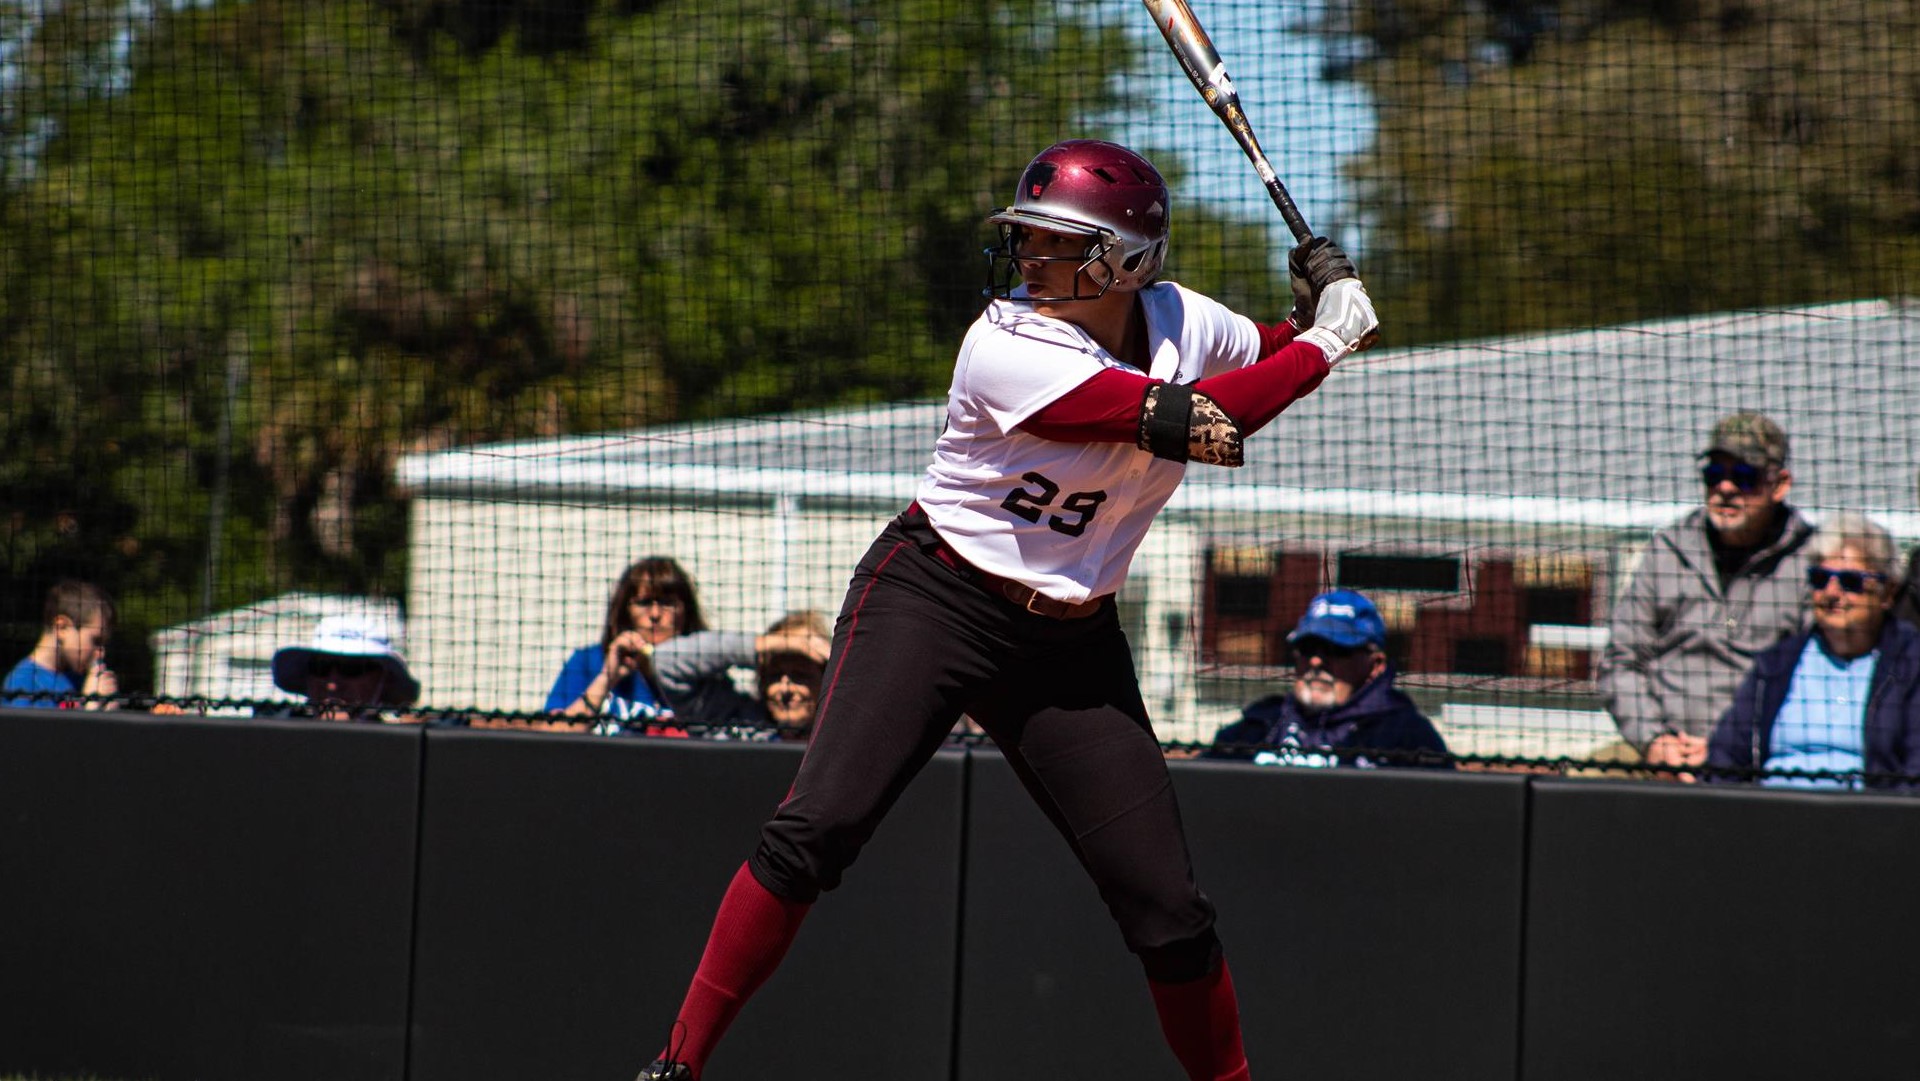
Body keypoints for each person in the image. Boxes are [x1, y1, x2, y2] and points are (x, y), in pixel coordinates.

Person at [634, 138, 1377, 1081]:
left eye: (1059, 241)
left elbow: (1261, 357)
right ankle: (677, 1064)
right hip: (937, 596)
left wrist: (1310, 316)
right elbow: (1209, 425)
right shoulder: (1006, 344)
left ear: (1130, 261)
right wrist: (1330, 339)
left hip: (1069, 641)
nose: (1030, 256)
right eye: (1026, 235)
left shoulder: (1183, 318)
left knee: (1169, 911)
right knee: (815, 830)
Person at [1597, 412, 1815, 775]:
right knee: (1581, 791)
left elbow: (1817, 683)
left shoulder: (1812, 563)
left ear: (1780, 485)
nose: (1726, 488)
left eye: (1744, 476)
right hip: (1661, 750)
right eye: (1715, 474)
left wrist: (1733, 747)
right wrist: (1655, 741)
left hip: (1762, 759)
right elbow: (1621, 661)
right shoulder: (1670, 548)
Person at [1707, 514, 1920, 791]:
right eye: (1820, 579)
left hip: (1870, 820)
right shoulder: (1777, 664)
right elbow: (1727, 756)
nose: (1831, 593)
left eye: (1850, 582)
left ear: (1888, 592)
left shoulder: (1910, 664)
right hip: (1771, 817)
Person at [1206, 589, 1450, 769]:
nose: (1316, 662)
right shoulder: (1257, 727)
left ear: (1374, 665)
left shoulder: (1406, 737)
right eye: (1308, 648)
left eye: (1336, 650)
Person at [542, 557, 712, 734]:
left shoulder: (706, 678)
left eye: (667, 603)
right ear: (626, 611)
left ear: (685, 612)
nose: (655, 614)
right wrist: (607, 678)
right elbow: (553, 737)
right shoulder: (588, 663)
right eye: (644, 602)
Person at [650, 610, 833, 738]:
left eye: (800, 675)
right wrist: (764, 645)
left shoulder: (840, 739)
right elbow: (665, 661)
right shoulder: (737, 726)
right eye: (774, 675)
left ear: (825, 679)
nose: (785, 689)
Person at [267, 611, 423, 723]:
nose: (332, 684)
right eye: (321, 667)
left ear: (384, 678)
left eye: (351, 668)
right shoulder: (275, 741)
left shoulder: (399, 750)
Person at [4, 579, 118, 710]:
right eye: (95, 640)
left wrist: (110, 712)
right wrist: (90, 705)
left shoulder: (81, 680)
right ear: (61, 627)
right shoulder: (22, 682)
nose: (101, 652)